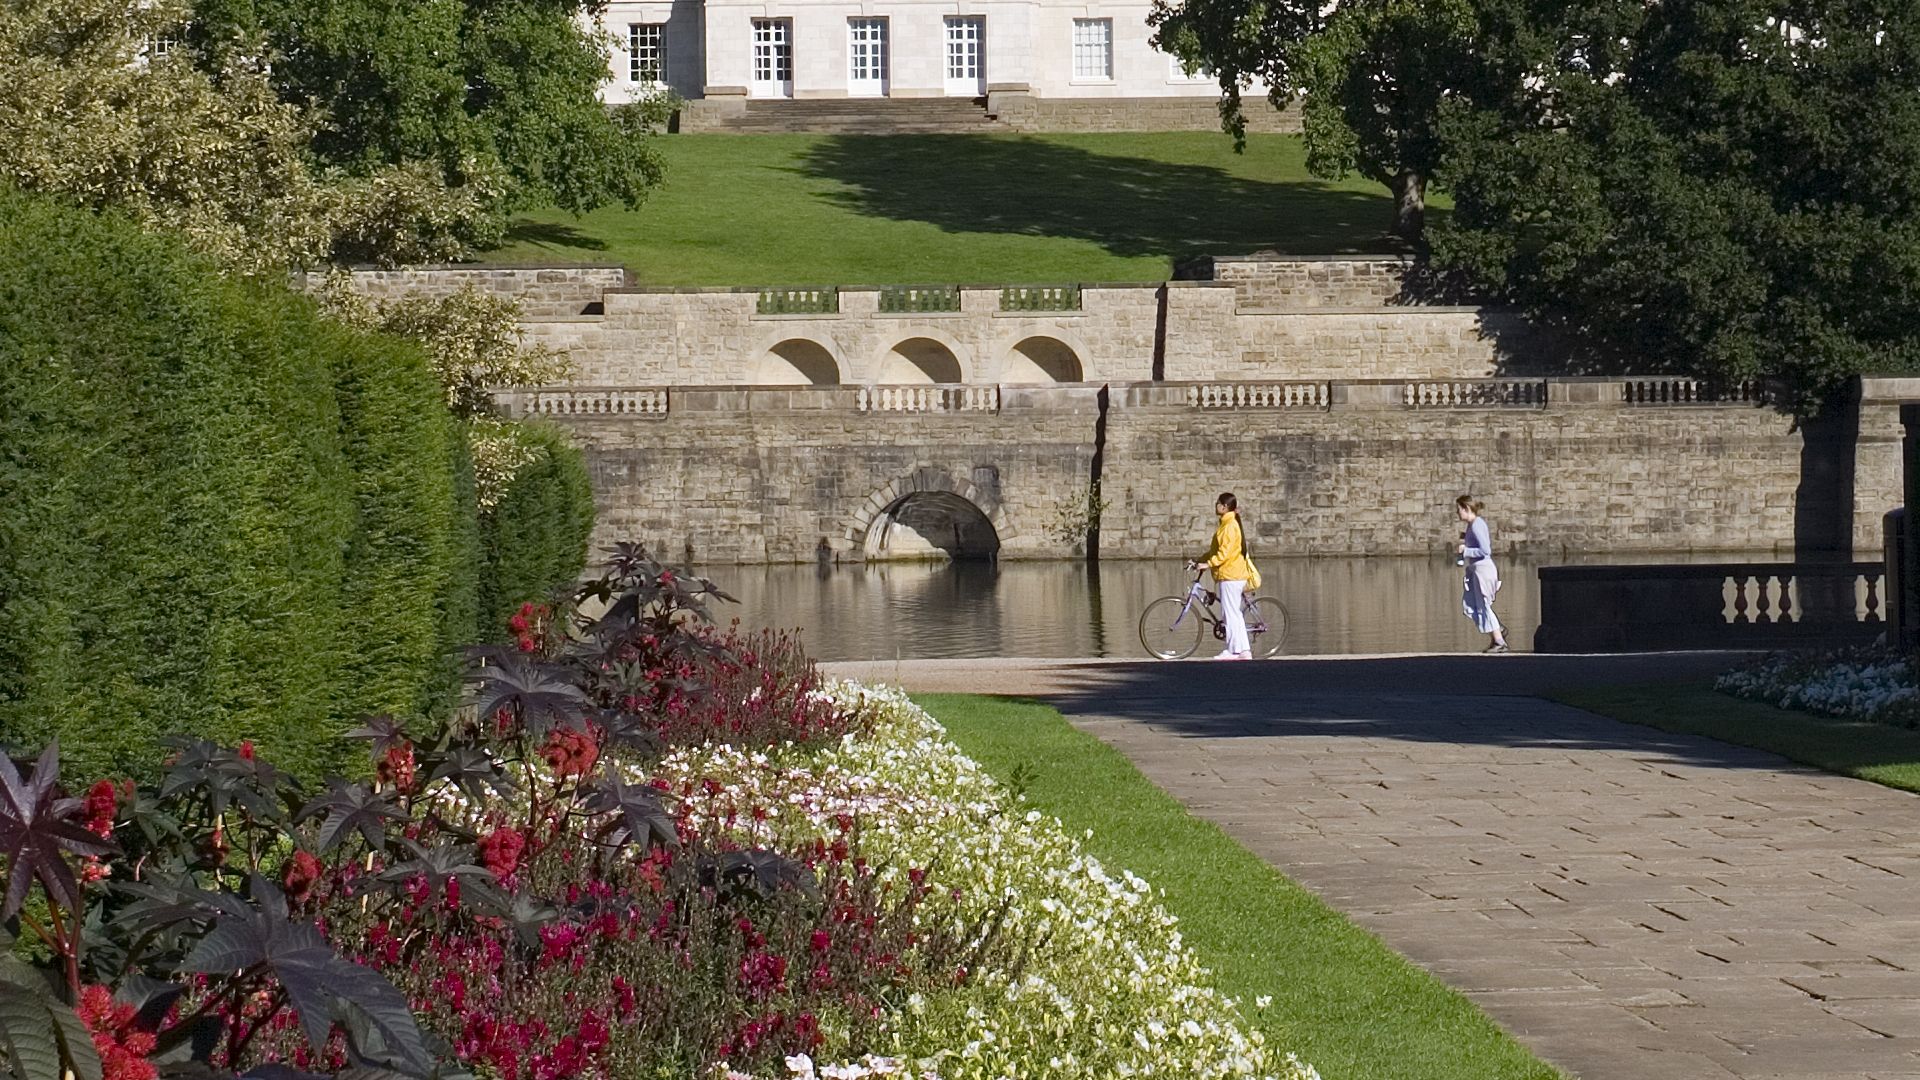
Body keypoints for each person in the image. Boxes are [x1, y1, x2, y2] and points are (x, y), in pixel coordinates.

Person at [1187, 492, 1257, 660]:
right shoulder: (1227, 524)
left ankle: (1234, 651)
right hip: (1231, 574)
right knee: (1234, 613)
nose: (1215, 505)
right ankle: (1244, 651)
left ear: (1224, 507)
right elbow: (1215, 551)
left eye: (1218, 503)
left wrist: (1208, 564)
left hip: (1231, 575)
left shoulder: (1229, 526)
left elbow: (1224, 554)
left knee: (1230, 613)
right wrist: (1200, 560)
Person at [1456, 495, 1509, 653]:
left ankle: (1499, 640)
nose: (1457, 513)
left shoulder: (1477, 524)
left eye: (1459, 510)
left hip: (1483, 570)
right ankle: (1497, 631)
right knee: (1474, 604)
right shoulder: (1472, 525)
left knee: (1483, 605)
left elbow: (1486, 550)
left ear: (1466, 509)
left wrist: (1466, 550)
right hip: (1477, 570)